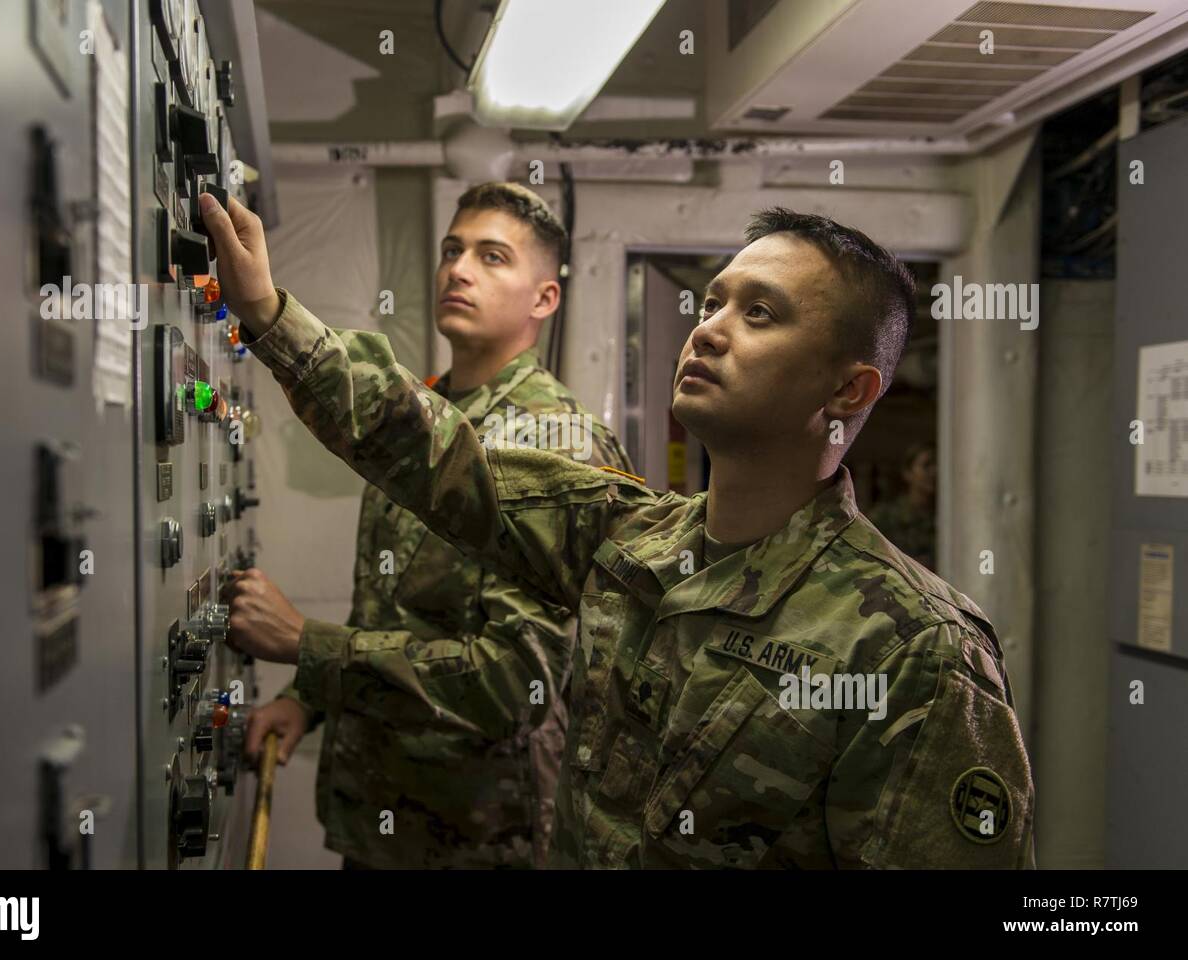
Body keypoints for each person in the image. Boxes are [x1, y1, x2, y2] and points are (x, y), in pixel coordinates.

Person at [203, 190, 1036, 869]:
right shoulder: (632, 542)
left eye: (761, 314)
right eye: (712, 302)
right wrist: (271, 318)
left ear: (849, 391)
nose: (707, 327)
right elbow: (434, 456)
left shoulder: (916, 651)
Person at [226, 183, 634, 869]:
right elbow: (402, 613)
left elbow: (515, 685)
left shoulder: (554, 444)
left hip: (475, 841)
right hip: (383, 823)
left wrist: (310, 646)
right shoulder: (431, 411)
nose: (460, 269)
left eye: (493, 256)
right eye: (453, 250)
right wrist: (309, 698)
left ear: (544, 299)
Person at [870, 442, 937, 571]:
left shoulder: (947, 518)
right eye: (926, 465)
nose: (934, 472)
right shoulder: (885, 517)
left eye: (937, 465)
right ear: (908, 473)